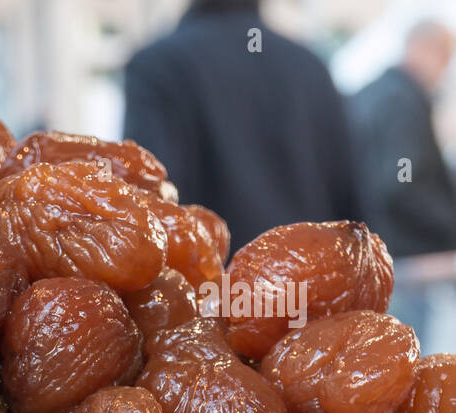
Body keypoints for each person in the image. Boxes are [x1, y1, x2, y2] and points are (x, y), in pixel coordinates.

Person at [123, 0, 362, 250]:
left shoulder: (157, 65)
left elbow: (151, 203)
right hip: (313, 281)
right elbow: (351, 204)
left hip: (213, 285)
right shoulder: (311, 67)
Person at [350, 19, 456, 257]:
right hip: (404, 251)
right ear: (424, 49)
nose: (443, 72)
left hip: (371, 244)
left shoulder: (372, 93)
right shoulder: (403, 101)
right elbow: (403, 185)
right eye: (445, 60)